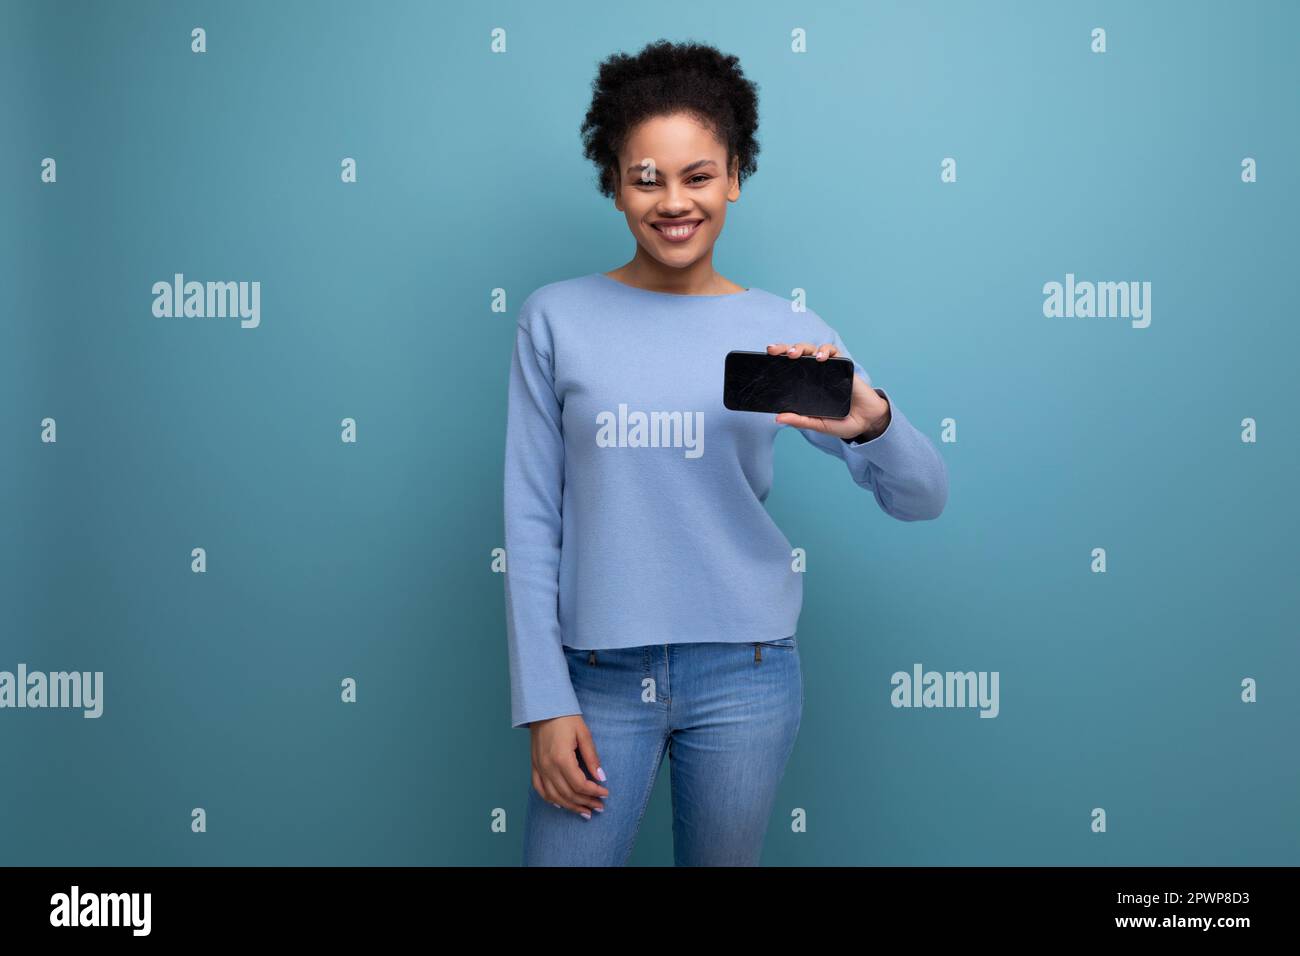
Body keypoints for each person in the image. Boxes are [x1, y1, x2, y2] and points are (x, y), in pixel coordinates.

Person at [503, 39, 948, 866]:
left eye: (699, 175)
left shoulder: (784, 333)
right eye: (648, 178)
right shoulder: (554, 319)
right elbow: (531, 520)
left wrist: (874, 422)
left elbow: (923, 497)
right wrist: (543, 700)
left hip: (746, 672)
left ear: (735, 176)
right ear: (615, 184)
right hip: (596, 676)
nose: (675, 202)